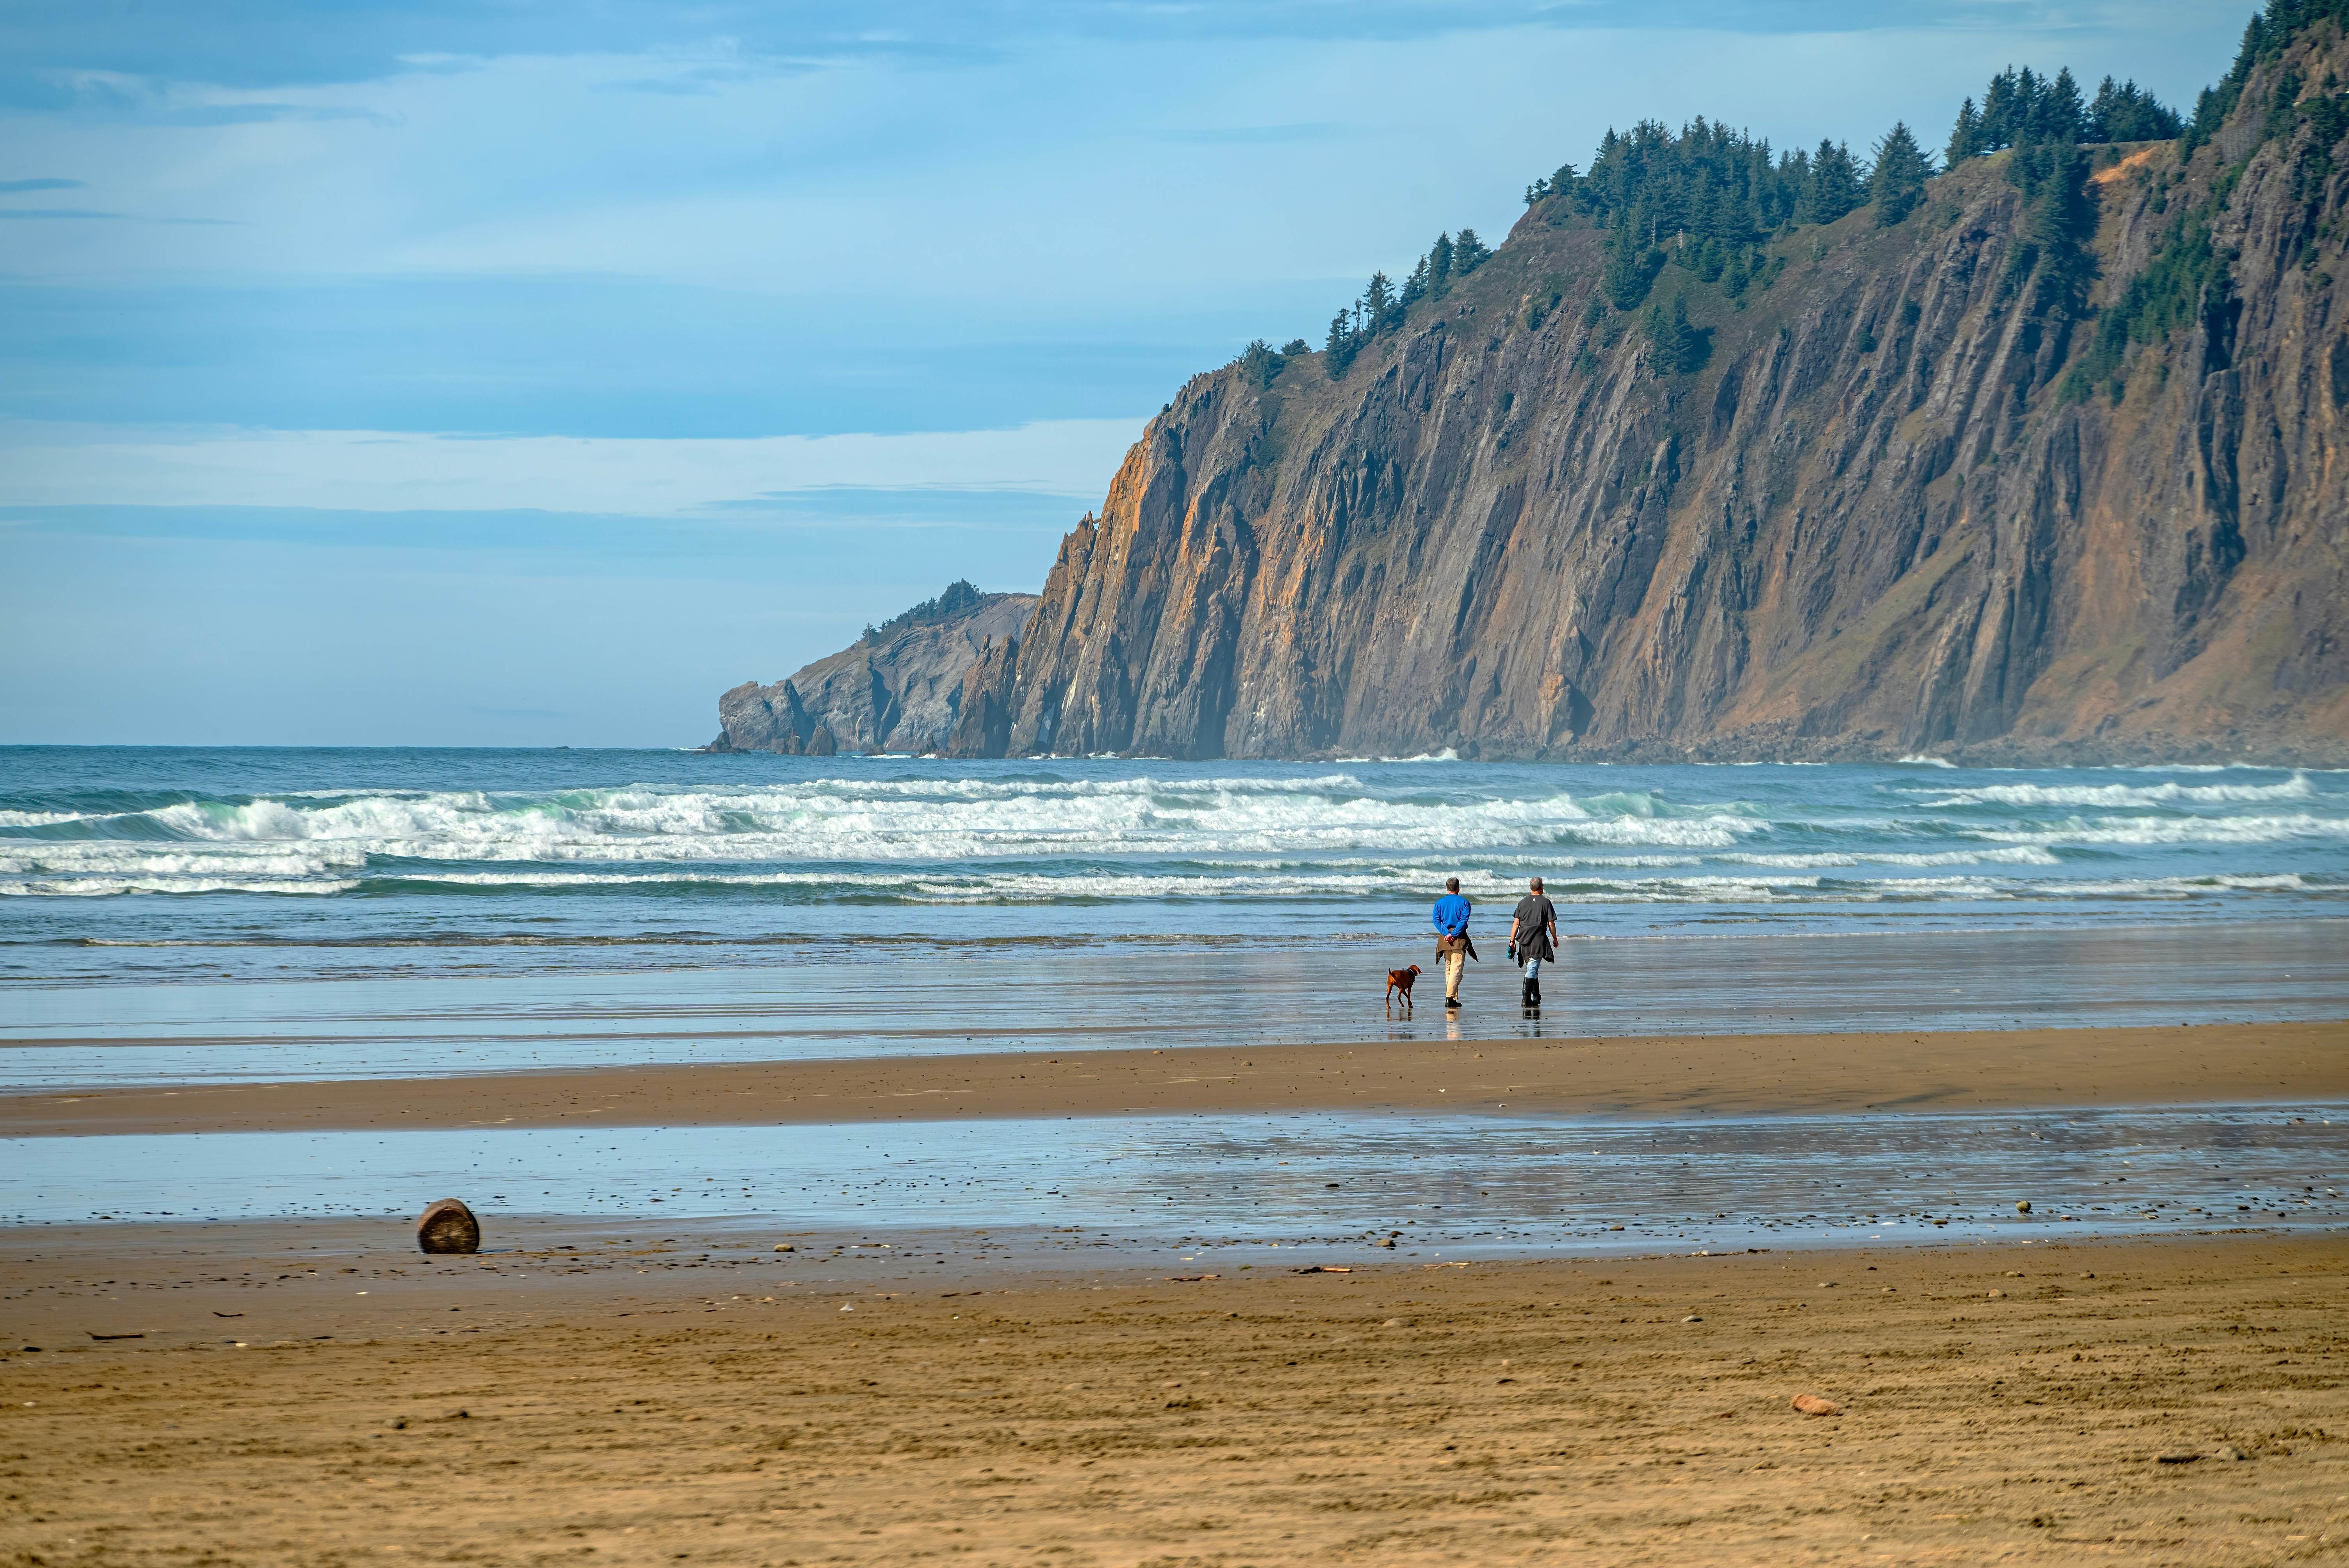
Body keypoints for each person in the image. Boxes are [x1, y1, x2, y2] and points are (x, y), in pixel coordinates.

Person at [1508, 875, 1559, 1009]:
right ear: (1541, 887)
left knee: (1532, 966)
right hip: (1538, 940)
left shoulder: (1522, 902)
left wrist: (1512, 941)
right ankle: (1526, 999)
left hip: (1524, 941)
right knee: (1532, 968)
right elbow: (1551, 923)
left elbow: (1516, 924)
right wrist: (1555, 938)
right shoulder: (1546, 902)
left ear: (1531, 888)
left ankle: (1536, 997)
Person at [1430, 876, 1475, 1009]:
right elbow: (1463, 921)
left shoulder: (1439, 903)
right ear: (1458, 888)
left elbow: (1436, 920)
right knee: (1457, 969)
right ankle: (1450, 997)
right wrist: (1453, 934)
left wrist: (1446, 933)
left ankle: (1453, 999)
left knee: (1449, 969)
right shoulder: (1464, 902)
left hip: (1444, 939)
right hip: (1458, 938)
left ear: (1447, 888)